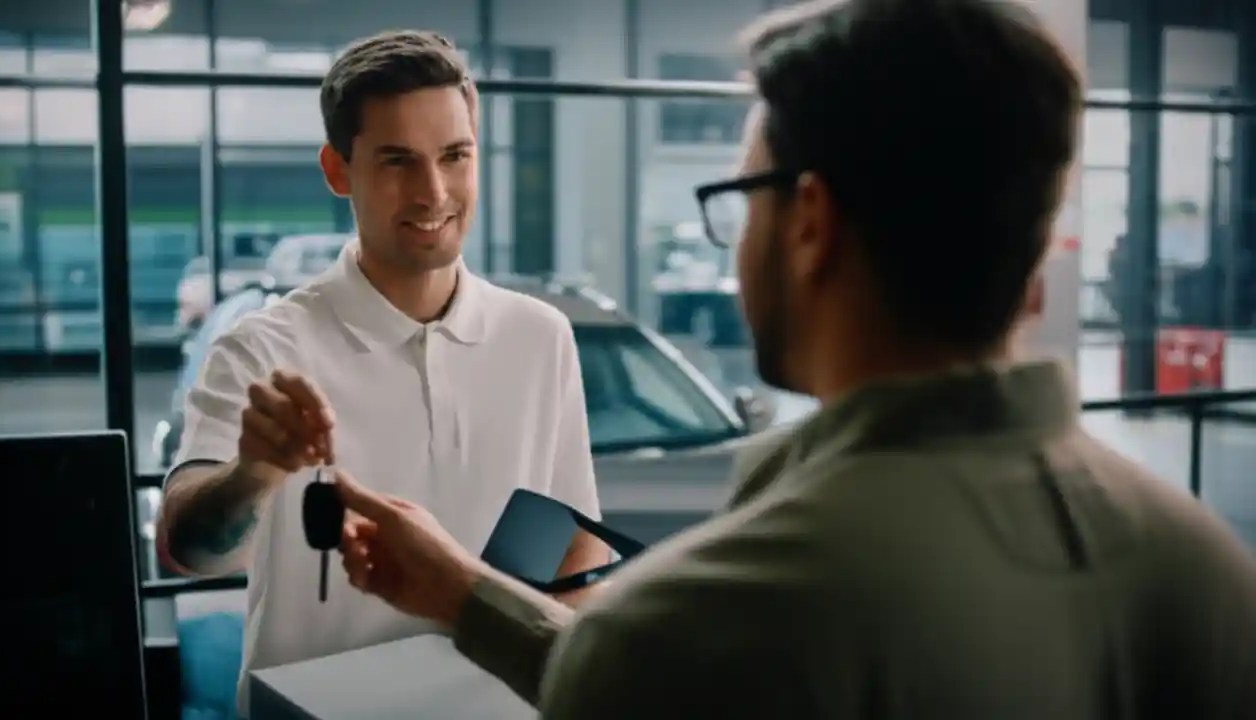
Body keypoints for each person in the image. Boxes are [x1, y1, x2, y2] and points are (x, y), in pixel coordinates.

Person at [330, 1, 1256, 717]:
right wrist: (465, 590)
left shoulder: (698, 620)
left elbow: (649, 673)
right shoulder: (1204, 568)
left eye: (742, 196)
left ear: (808, 220)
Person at [154, 29, 611, 716]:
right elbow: (190, 551)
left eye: (455, 156)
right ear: (339, 172)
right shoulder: (261, 348)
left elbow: (568, 544)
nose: (434, 192)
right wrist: (254, 472)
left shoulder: (539, 337)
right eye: (398, 161)